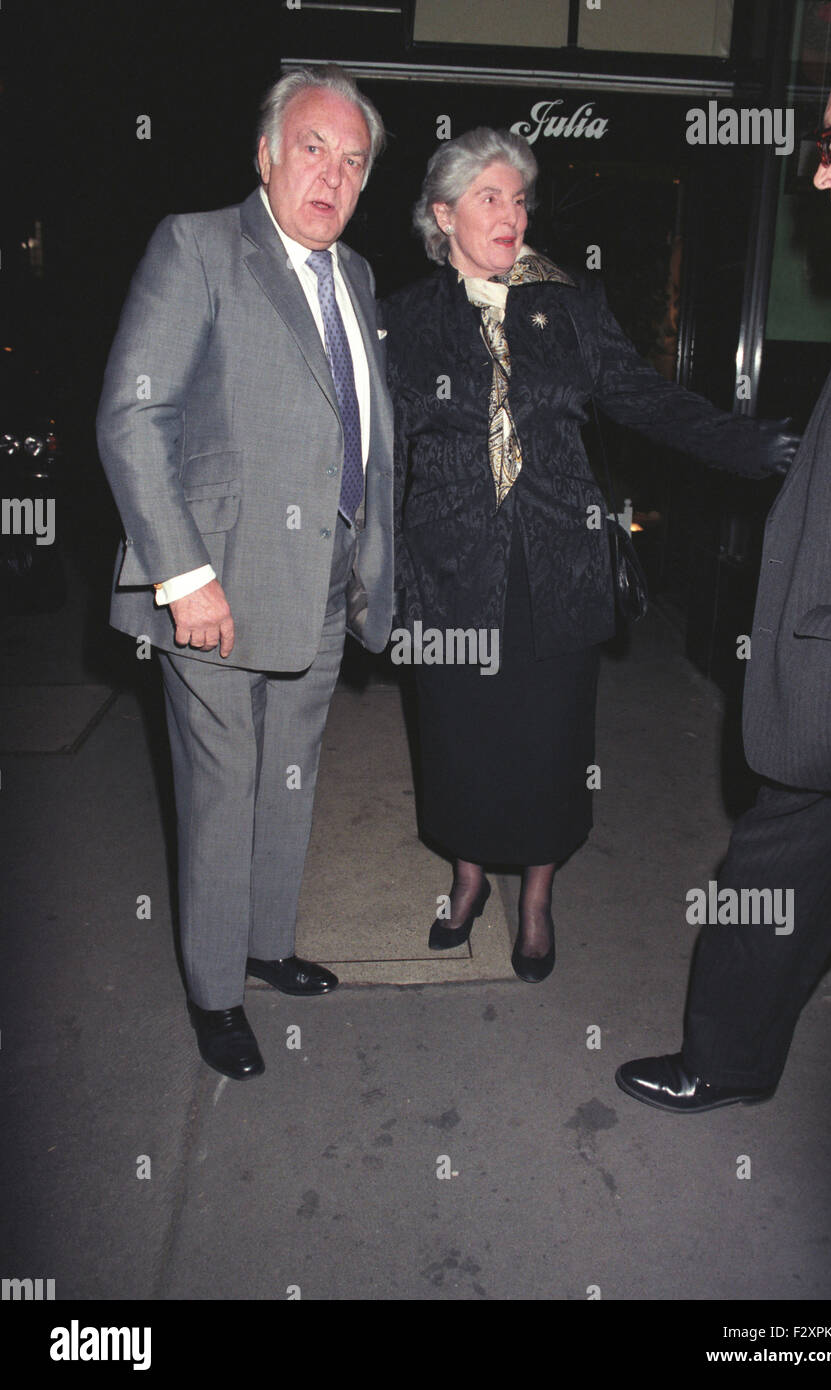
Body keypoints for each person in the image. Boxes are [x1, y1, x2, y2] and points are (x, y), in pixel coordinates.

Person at [383, 128, 797, 983]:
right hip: (451, 566)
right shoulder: (407, 319)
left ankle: (535, 898)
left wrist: (746, 445)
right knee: (457, 738)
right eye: (489, 198)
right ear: (442, 215)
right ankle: (465, 881)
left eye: (519, 197)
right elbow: (379, 450)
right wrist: (369, 572)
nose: (511, 214)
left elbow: (638, 395)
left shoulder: (565, 304)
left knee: (547, 741)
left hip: (555, 566)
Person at [96, 66, 393, 1079]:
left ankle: (266, 944)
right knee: (222, 790)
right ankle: (216, 991)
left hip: (320, 575)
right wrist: (183, 576)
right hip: (215, 585)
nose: (334, 174)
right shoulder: (199, 245)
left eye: (354, 161)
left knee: (289, 777)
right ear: (265, 154)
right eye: (314, 147)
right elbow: (133, 415)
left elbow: (358, 429)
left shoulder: (353, 277)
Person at [617, 41, 831, 1112]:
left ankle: (719, 1061)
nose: (818, 171)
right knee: (788, 878)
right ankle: (725, 1059)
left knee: (776, 871)